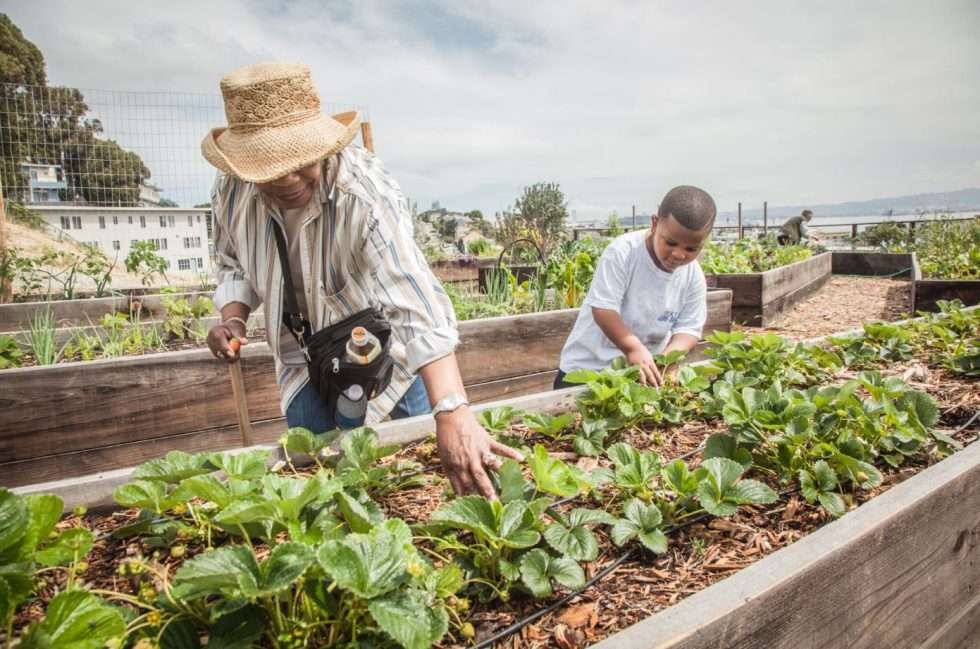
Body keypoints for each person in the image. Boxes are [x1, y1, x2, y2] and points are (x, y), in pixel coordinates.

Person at [202, 62, 521, 498]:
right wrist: (234, 318)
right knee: (320, 483)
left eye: (299, 162)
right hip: (301, 358)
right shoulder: (231, 191)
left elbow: (413, 296)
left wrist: (451, 409)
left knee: (417, 472)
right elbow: (233, 262)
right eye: (270, 168)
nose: (288, 178)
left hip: (383, 356)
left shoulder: (364, 192)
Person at [555, 186, 714, 388]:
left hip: (640, 377)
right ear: (655, 224)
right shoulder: (624, 253)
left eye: (691, 249)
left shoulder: (693, 275)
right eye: (671, 243)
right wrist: (632, 348)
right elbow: (603, 309)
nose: (679, 254)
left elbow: (688, 329)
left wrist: (666, 360)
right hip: (587, 373)